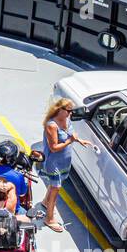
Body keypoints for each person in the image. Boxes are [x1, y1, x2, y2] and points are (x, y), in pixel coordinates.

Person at [38, 98, 92, 233]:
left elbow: (70, 134)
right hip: (54, 162)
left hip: (64, 161)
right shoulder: (52, 125)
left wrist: (79, 140)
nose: (70, 114)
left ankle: (45, 202)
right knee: (56, 188)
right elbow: (54, 147)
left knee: (54, 185)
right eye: (68, 111)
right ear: (60, 110)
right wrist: (70, 141)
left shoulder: (67, 120)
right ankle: (49, 218)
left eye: (71, 111)